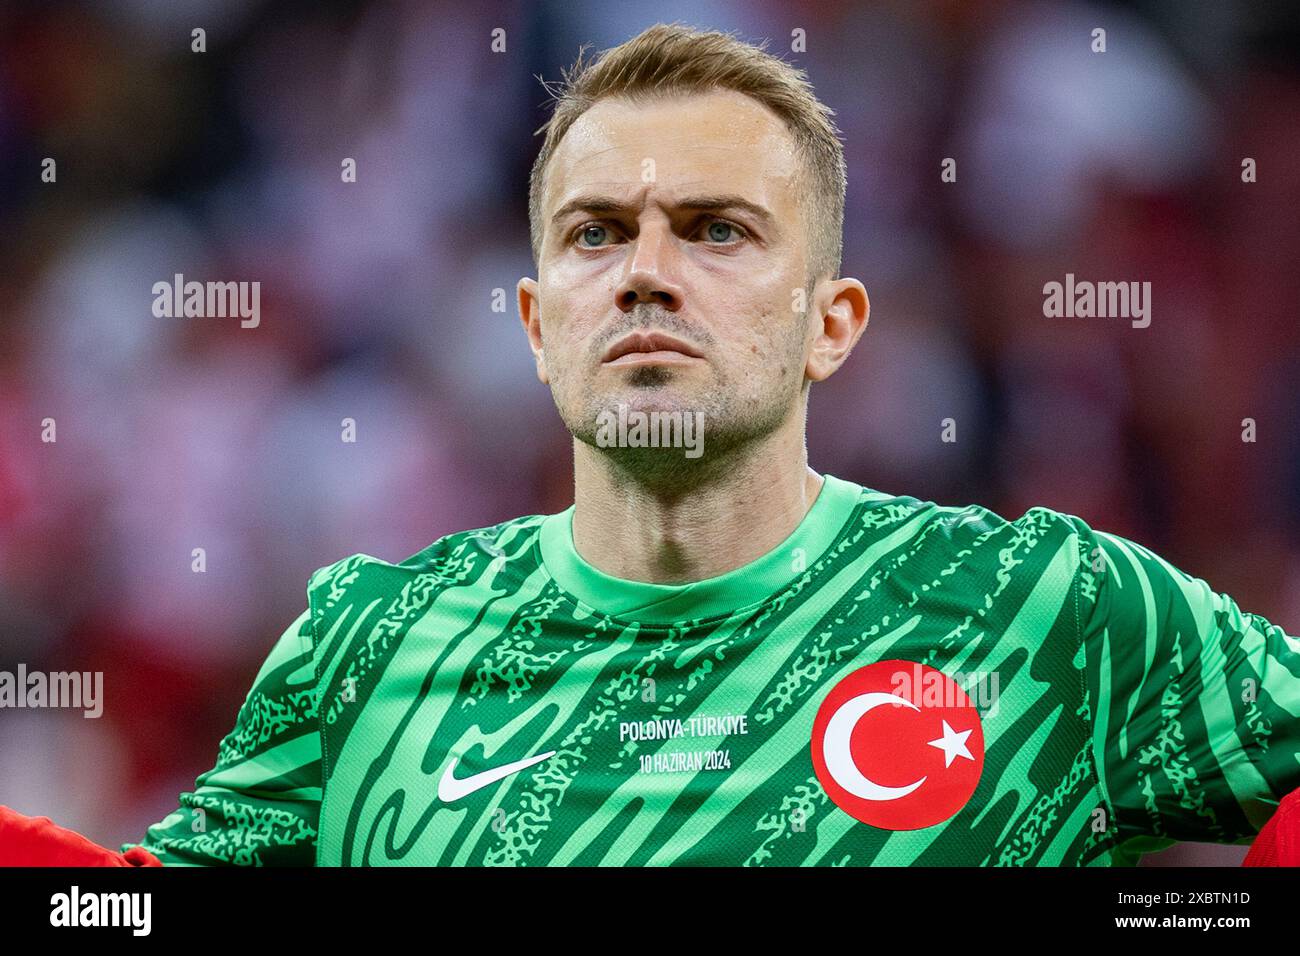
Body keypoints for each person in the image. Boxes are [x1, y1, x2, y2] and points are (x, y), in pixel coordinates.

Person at [10, 23, 1297, 867]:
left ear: (832, 324)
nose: (645, 275)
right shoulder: (369, 643)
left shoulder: (1050, 612)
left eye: (718, 229)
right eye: (592, 235)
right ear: (531, 323)